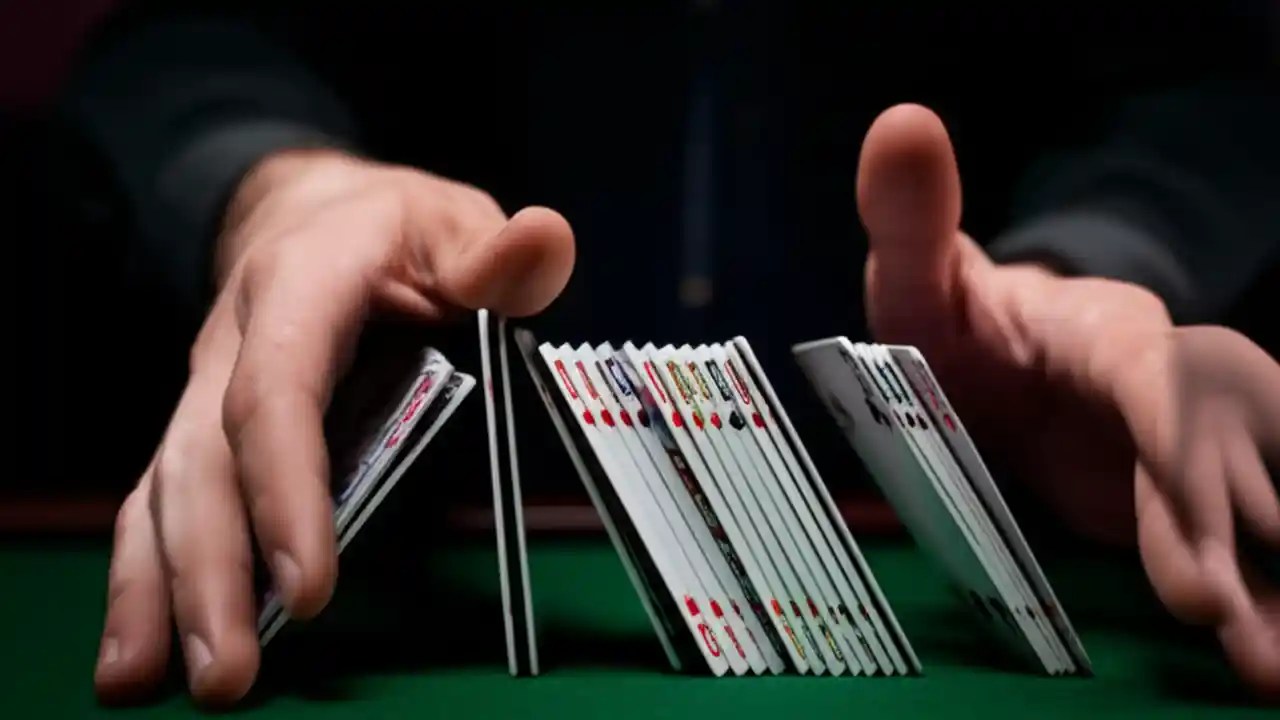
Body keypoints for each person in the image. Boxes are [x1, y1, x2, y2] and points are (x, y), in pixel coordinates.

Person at [14, 2, 1276, 707]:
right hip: (420, 499)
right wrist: (274, 186)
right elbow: (181, 41)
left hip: (1009, 475)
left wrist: (1104, 258)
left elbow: (1205, 80)